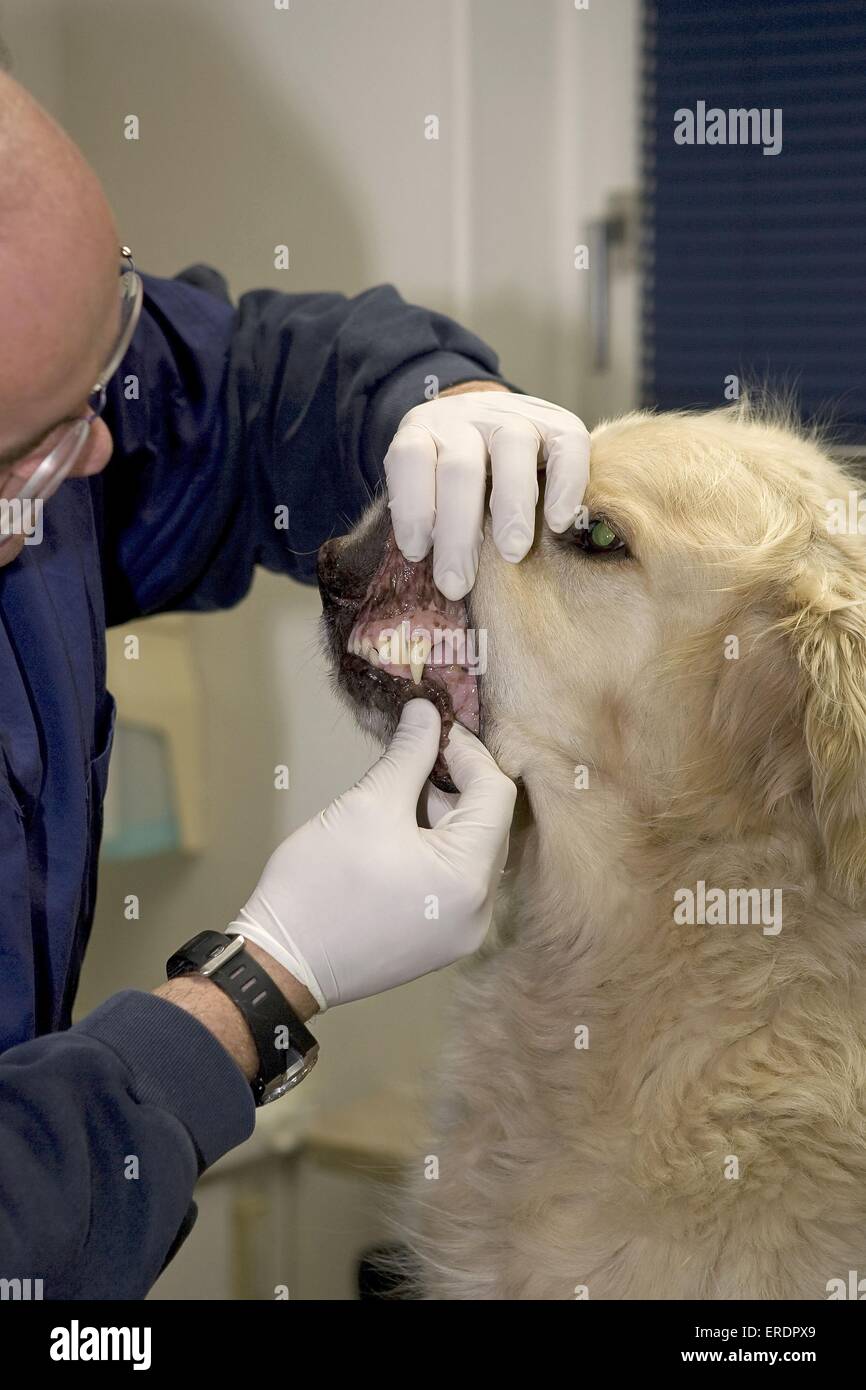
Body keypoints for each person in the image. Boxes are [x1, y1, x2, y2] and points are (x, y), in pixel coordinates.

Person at [0, 71, 590, 1298]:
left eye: (100, 358)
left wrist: (439, 402)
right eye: (46, 441)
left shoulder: (48, 406)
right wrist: (255, 984)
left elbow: (235, 389)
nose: (102, 450)